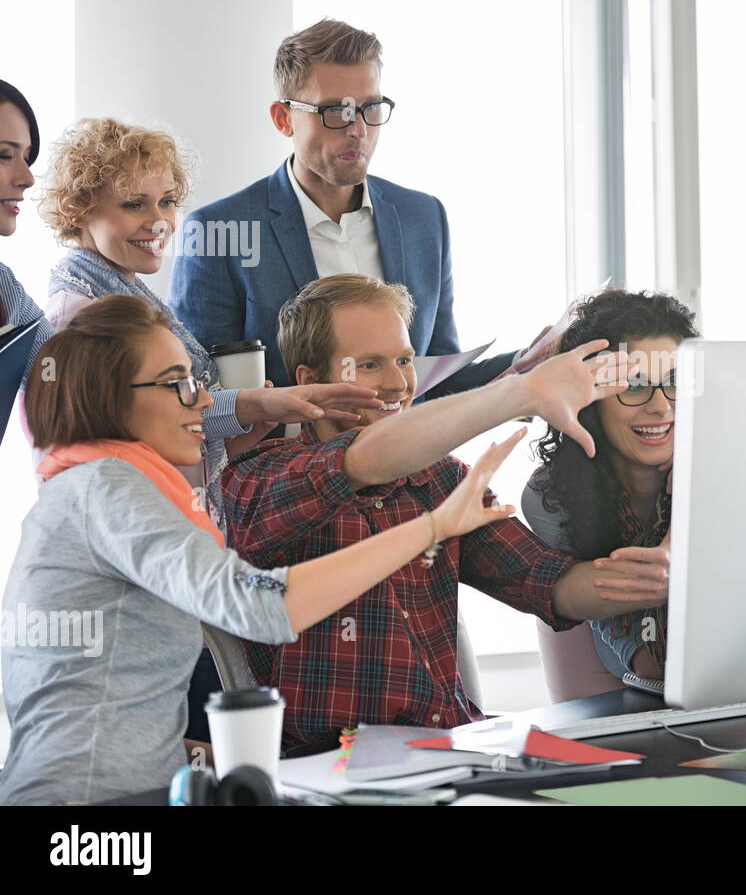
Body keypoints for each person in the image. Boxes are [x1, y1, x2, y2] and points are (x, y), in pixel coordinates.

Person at [0, 295, 526, 805]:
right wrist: (432, 526)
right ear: (112, 397)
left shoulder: (92, 485)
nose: (205, 401)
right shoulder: (110, 489)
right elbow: (262, 606)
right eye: (180, 385)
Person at [221, 274, 671, 753]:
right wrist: (522, 391)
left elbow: (546, 583)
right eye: (370, 365)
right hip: (330, 761)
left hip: (448, 745)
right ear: (311, 382)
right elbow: (359, 459)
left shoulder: (441, 479)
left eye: (404, 360)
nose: (398, 383)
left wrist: (642, 582)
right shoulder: (261, 477)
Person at [38, 117, 381, 529]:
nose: (159, 220)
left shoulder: (132, 302)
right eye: (134, 204)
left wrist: (253, 422)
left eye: (167, 201)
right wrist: (255, 404)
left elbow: (175, 436)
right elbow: (136, 429)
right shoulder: (76, 318)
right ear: (79, 211)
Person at [169, 17, 531, 396]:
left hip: (408, 453)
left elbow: (437, 383)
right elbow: (201, 398)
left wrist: (531, 363)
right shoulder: (217, 232)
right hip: (281, 455)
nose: (357, 129)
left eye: (370, 108)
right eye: (334, 111)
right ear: (283, 118)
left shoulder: (424, 219)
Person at [524, 289, 746, 717]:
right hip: (607, 702)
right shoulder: (551, 495)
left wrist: (709, 486)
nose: (660, 407)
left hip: (728, 684)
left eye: (676, 381)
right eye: (634, 385)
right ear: (592, 398)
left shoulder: (740, 464)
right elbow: (629, 642)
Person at [0, 80, 52, 385]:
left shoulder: (4, 289)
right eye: (4, 155)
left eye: (27, 157)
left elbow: (64, 378)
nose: (28, 178)